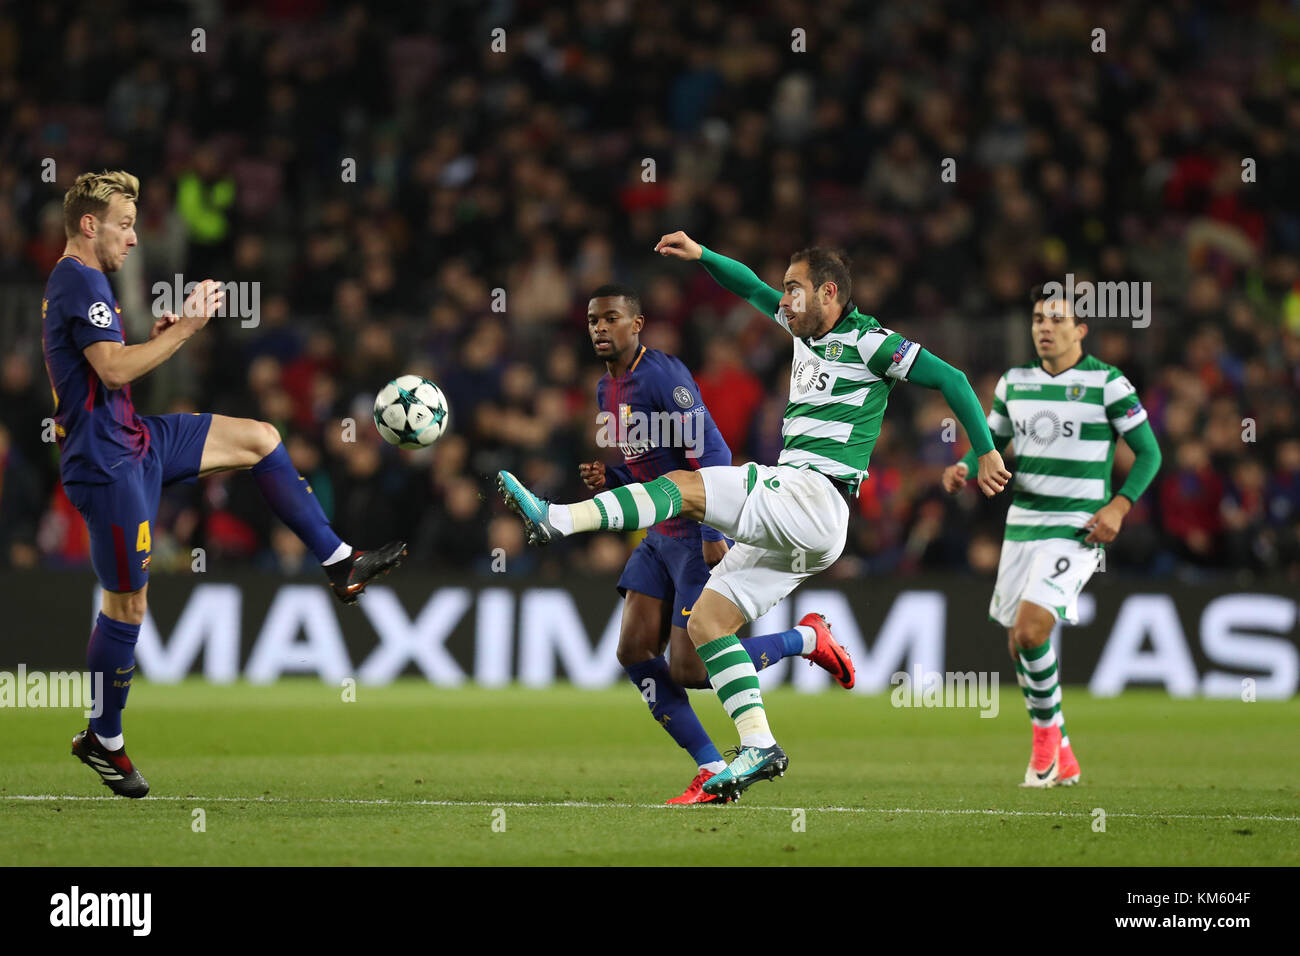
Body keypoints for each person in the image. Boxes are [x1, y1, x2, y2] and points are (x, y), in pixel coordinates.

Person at [498, 232, 1009, 800]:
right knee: (705, 627)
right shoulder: (800, 328)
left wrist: (985, 449)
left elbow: (954, 380)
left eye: (795, 289)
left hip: (814, 494)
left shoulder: (873, 343)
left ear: (829, 292)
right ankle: (761, 743)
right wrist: (703, 256)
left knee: (685, 487)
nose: (784, 300)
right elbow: (748, 287)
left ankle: (557, 520)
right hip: (804, 521)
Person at [43, 171, 406, 798]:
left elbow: (106, 367)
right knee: (127, 605)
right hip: (107, 466)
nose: (133, 238)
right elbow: (109, 367)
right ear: (88, 225)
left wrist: (154, 341)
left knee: (261, 438)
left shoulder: (86, 281)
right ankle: (104, 739)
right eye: (124, 225)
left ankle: (340, 561)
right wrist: (184, 330)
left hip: (135, 437)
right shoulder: (77, 278)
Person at [580, 284, 856, 804]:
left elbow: (712, 450)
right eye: (593, 320)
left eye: (611, 318)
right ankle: (709, 765)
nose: (599, 328)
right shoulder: (605, 390)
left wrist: (713, 531)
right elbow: (651, 465)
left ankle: (806, 640)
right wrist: (614, 477)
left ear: (636, 324)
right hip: (656, 534)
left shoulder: (663, 376)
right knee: (634, 651)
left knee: (692, 668)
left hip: (692, 530)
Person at [941, 286, 1162, 787]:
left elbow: (1149, 452)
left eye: (1055, 319)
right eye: (1038, 318)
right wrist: (961, 466)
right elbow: (991, 444)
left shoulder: (1108, 383)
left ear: (1080, 330)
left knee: (1031, 631)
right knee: (1019, 644)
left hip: (1077, 526)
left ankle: (1044, 741)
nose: (1044, 327)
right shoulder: (1014, 383)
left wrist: (1119, 506)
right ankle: (1063, 749)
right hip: (1023, 523)